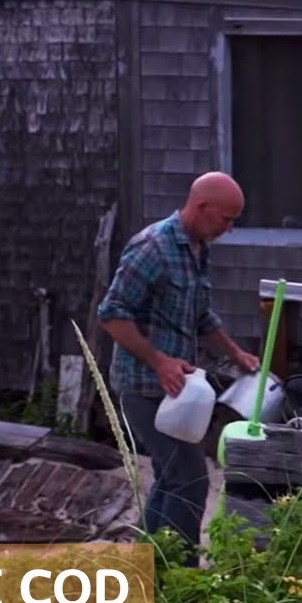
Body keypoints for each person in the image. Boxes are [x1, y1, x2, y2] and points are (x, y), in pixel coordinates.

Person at [97, 171, 260, 554]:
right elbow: (111, 314)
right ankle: (180, 581)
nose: (230, 229)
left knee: (172, 478)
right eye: (226, 219)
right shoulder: (152, 248)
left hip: (179, 392)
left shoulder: (198, 247)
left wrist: (235, 353)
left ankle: (148, 566)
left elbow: (202, 316)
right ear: (201, 208)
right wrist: (159, 362)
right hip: (143, 386)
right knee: (190, 478)